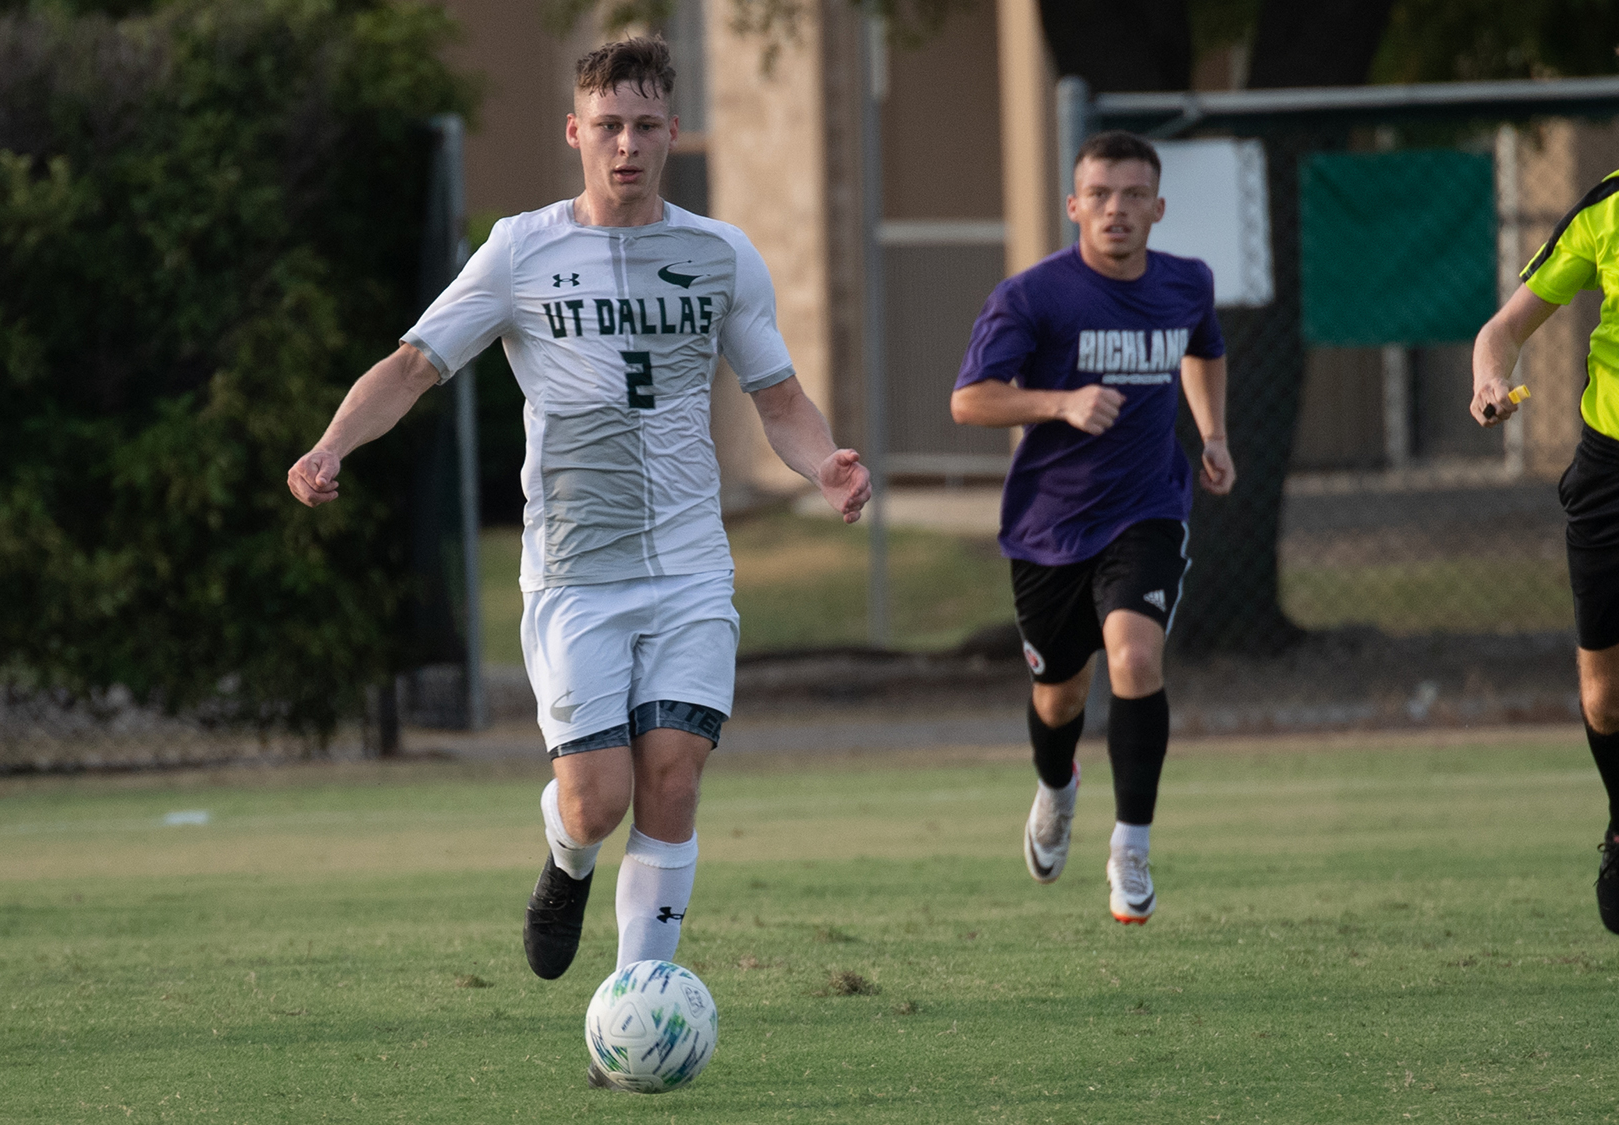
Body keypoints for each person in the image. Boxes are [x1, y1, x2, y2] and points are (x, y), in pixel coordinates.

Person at [288, 35, 867, 1002]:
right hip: (575, 570)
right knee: (598, 801)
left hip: (689, 563)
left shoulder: (721, 254)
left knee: (672, 777)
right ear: (574, 132)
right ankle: (567, 858)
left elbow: (779, 400)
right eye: (608, 126)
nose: (626, 144)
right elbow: (414, 366)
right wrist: (331, 445)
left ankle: (640, 1001)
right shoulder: (520, 249)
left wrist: (826, 464)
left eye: (644, 126)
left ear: (673, 131)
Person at [950, 130, 1234, 925]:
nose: (1117, 209)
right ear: (1074, 205)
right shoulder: (1034, 296)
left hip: (1148, 508)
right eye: (1101, 195)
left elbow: (1205, 348)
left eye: (1134, 195)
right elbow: (970, 399)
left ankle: (1131, 845)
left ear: (1158, 208)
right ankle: (1056, 787)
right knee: (1060, 693)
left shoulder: (1187, 282)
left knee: (1135, 658)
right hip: (1048, 526)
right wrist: (1061, 402)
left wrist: (1212, 433)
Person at [1472, 167, 1619, 934]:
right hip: (1612, 470)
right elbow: (1501, 330)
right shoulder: (1607, 206)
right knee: (1605, 698)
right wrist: (1491, 381)